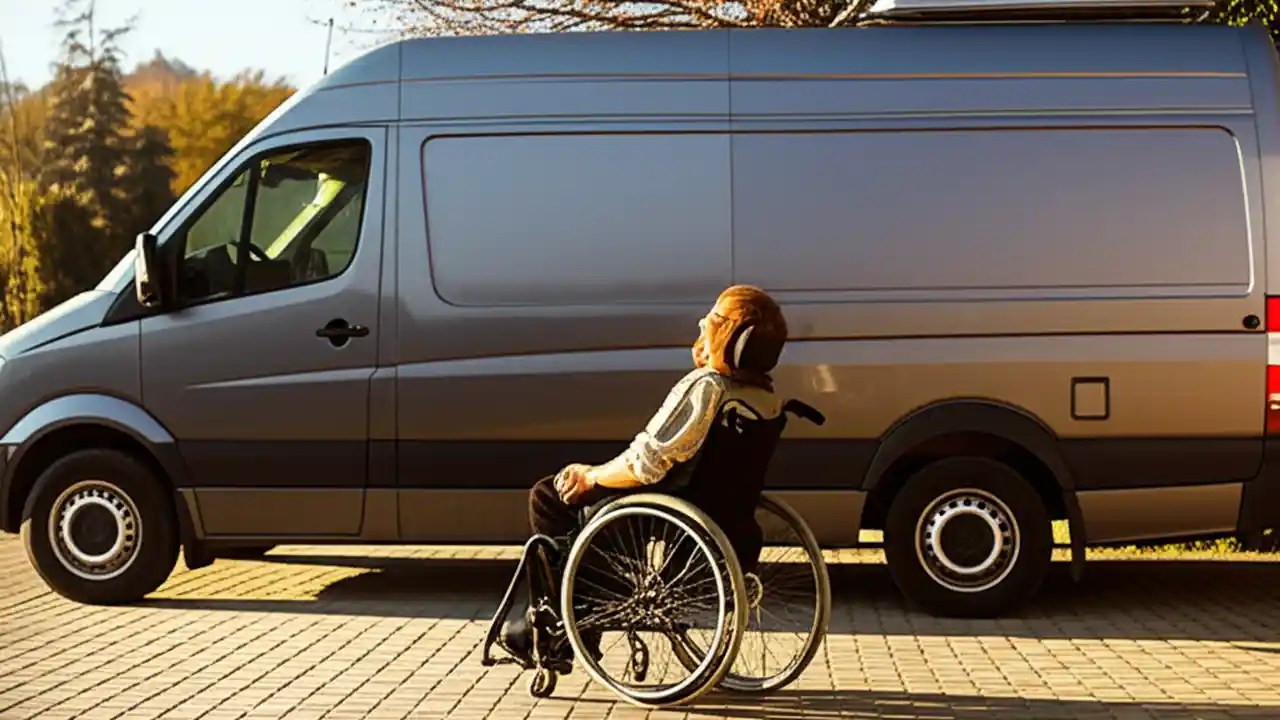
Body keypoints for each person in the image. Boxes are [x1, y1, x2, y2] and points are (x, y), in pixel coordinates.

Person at [527, 284, 790, 539]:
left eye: (713, 317)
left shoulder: (708, 387)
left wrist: (590, 476)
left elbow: (645, 464)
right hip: (726, 523)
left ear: (730, 335)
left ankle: (582, 583)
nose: (702, 322)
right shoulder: (763, 397)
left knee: (547, 496)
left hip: (665, 519)